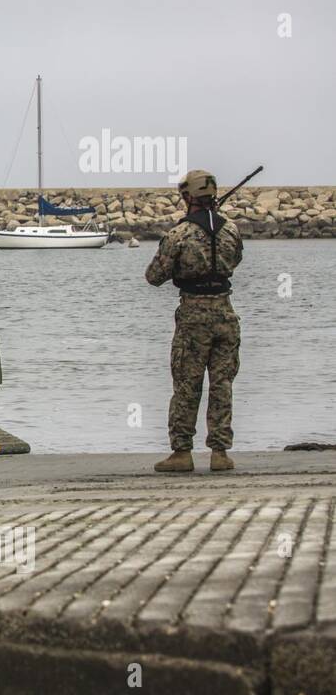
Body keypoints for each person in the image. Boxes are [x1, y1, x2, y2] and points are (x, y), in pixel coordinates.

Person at [145, 170, 243, 472]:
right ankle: (220, 453)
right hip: (226, 314)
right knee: (222, 384)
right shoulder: (231, 230)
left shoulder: (178, 234)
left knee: (187, 385)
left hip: (193, 317)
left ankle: (182, 451)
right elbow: (235, 260)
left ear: (188, 196)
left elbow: (154, 277)